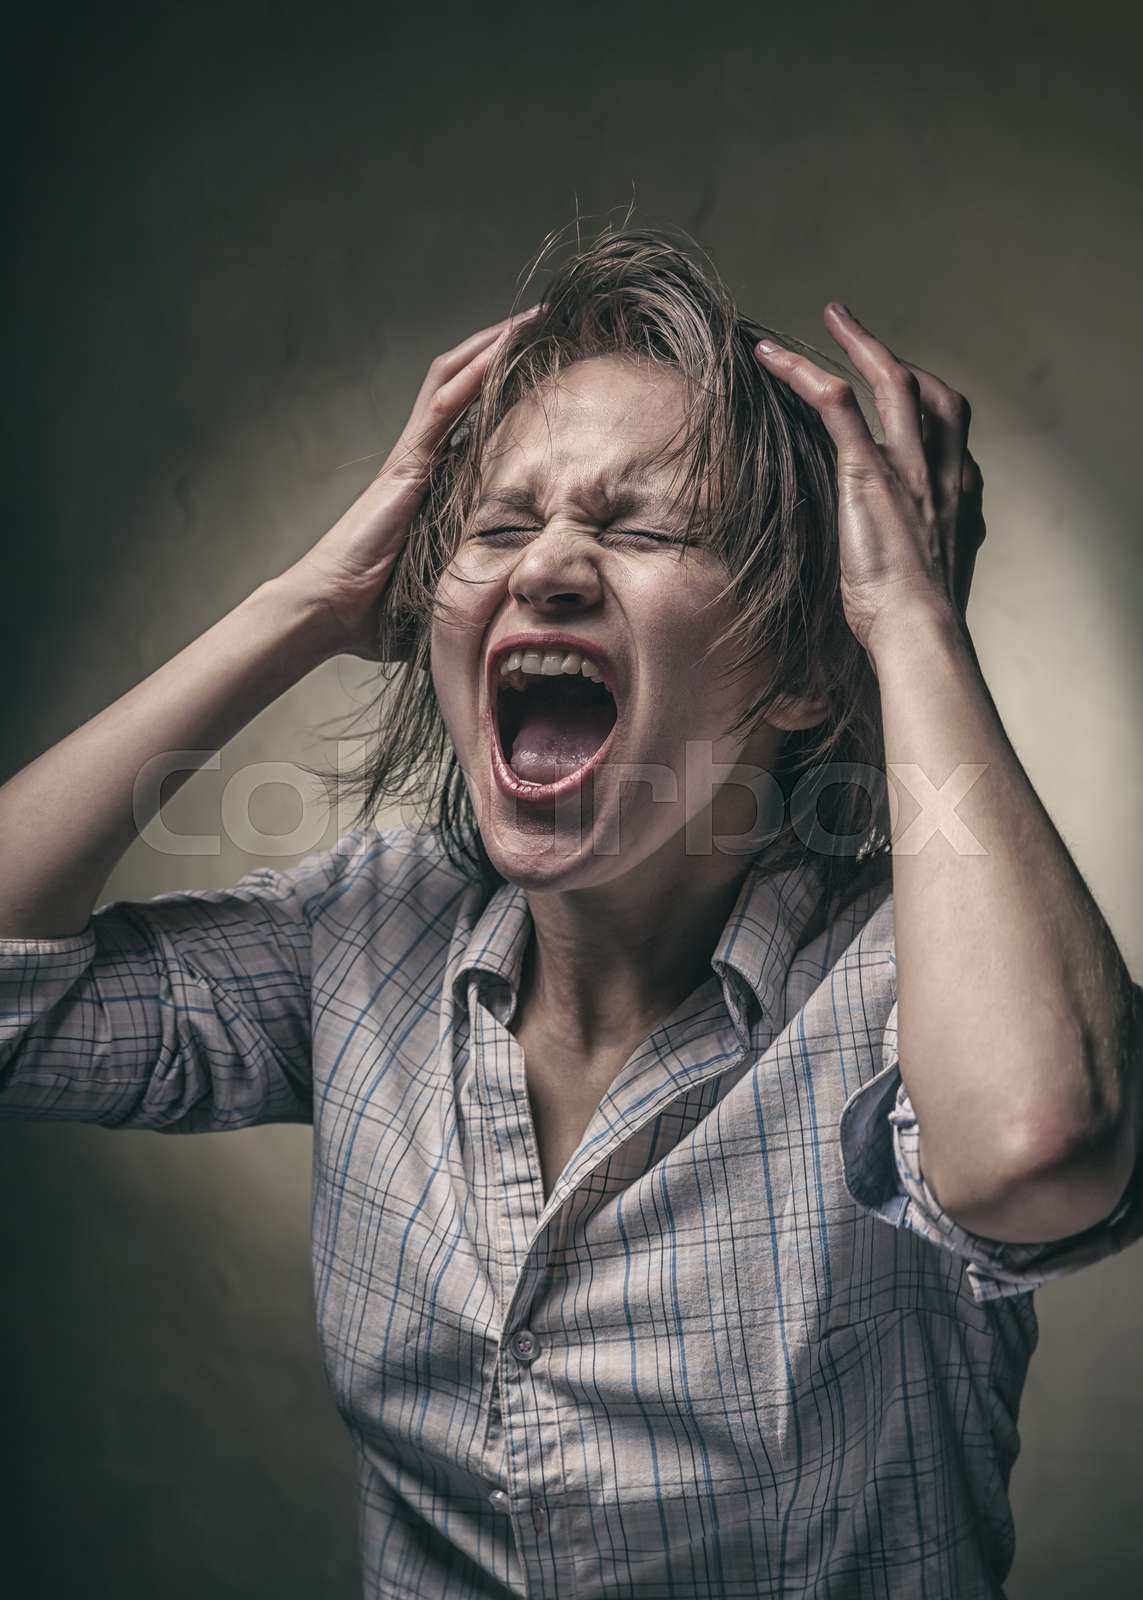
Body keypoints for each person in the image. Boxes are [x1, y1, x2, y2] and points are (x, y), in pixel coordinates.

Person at [1, 225, 1140, 1600]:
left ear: (801, 671)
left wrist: (907, 620)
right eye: (497, 527)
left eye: (641, 526)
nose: (542, 568)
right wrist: (303, 604)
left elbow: (1040, 1152)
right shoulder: (363, 934)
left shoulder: (918, 992)